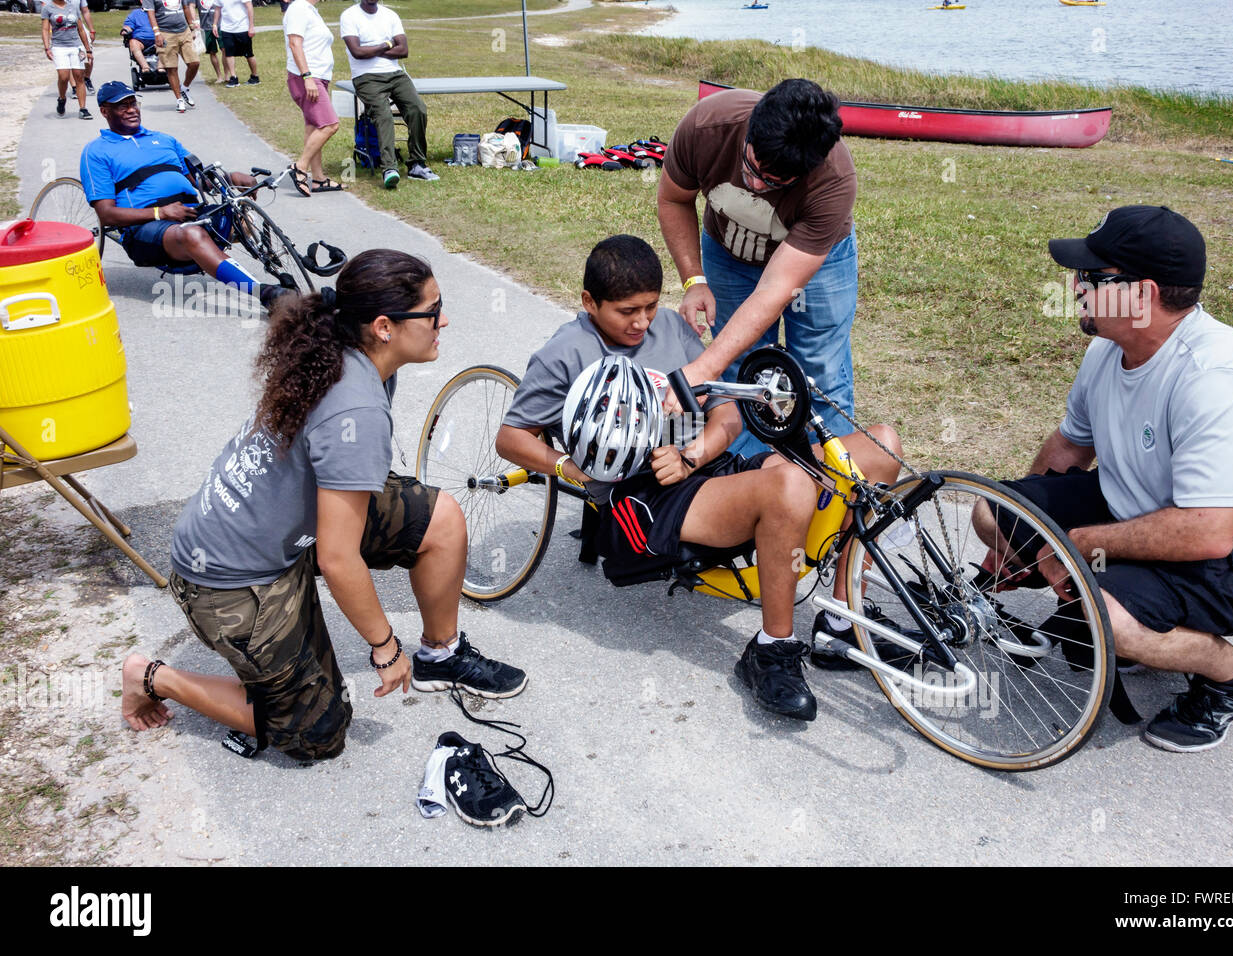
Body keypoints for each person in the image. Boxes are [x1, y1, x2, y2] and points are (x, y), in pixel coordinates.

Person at [120, 249, 528, 761]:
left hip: (286, 529)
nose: (442, 319)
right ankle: (153, 676)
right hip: (229, 581)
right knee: (318, 731)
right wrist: (384, 646)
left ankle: (441, 655)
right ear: (384, 326)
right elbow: (338, 557)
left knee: (439, 519)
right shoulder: (354, 400)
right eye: (432, 310)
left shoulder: (354, 350)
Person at [495, 235, 903, 722]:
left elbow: (727, 415)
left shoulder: (671, 328)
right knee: (791, 484)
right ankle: (771, 650)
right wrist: (566, 467)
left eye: (649, 306)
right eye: (626, 311)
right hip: (641, 501)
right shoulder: (564, 353)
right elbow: (511, 437)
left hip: (704, 468)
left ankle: (840, 621)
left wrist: (694, 454)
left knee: (879, 448)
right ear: (589, 302)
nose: (641, 322)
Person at [978, 205, 1233, 753]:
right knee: (992, 509)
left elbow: (1208, 532)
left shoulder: (1215, 379)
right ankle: (1115, 606)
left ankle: (1231, 672)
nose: (1076, 287)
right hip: (1149, 511)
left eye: (1091, 277)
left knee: (1109, 612)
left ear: (1142, 294)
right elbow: (1068, 449)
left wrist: (1077, 545)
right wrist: (1019, 538)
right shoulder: (1110, 347)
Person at [657, 78, 859, 458]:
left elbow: (775, 289)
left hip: (819, 266)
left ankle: (831, 500)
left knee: (820, 376)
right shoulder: (708, 126)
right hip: (729, 254)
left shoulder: (833, 181)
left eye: (772, 182)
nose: (753, 183)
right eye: (750, 167)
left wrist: (702, 367)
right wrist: (694, 279)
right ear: (750, 129)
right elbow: (672, 199)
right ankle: (749, 482)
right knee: (739, 374)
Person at [80, 81, 296, 310]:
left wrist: (232, 178)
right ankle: (266, 294)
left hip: (190, 211)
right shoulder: (96, 152)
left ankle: (292, 267)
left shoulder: (164, 140)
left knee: (241, 214)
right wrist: (159, 212)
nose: (132, 109)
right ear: (105, 111)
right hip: (146, 227)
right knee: (192, 234)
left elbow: (200, 179)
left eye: (133, 103)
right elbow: (106, 214)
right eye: (122, 106)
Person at [339, 0, 437, 189]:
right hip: (366, 77)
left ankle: (417, 164)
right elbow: (357, 52)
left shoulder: (390, 15)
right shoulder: (349, 16)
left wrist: (373, 50)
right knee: (383, 116)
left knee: (418, 109)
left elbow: (404, 50)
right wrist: (387, 44)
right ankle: (389, 169)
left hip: (395, 74)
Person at [283, 0, 342, 195]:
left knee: (314, 127)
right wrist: (307, 76)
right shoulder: (298, 7)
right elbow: (294, 42)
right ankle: (300, 167)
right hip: (307, 77)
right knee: (329, 125)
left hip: (317, 77)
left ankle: (319, 179)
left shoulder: (310, 10)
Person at [142, 0, 200, 113]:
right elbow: (151, 13)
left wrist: (192, 27)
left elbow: (185, 7)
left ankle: (184, 87)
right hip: (165, 33)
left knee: (194, 62)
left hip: (184, 31)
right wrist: (157, 33)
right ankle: (179, 99)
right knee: (172, 68)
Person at [42, 0, 93, 120]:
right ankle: (62, 98)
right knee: (63, 76)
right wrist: (47, 47)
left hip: (76, 46)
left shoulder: (73, 6)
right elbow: (45, 29)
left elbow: (80, 29)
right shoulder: (48, 8)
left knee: (79, 76)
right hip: (59, 47)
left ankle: (83, 109)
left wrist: (88, 49)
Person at [213, 0, 259, 87]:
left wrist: (251, 26)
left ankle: (254, 76)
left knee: (248, 54)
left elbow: (249, 7)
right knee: (229, 53)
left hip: (242, 27)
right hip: (226, 28)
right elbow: (217, 9)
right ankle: (233, 77)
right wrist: (215, 24)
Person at [121, 5, 155, 77]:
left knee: (168, 41)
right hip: (140, 40)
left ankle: (161, 68)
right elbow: (128, 25)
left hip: (158, 39)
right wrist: (125, 30)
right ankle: (145, 67)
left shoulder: (160, 12)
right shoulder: (135, 14)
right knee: (133, 43)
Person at [194, 0, 222, 82]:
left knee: (225, 50)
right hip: (206, 27)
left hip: (220, 25)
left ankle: (228, 76)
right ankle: (219, 76)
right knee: (212, 52)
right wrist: (194, 21)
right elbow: (191, 6)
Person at [76, 0, 95, 91]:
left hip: (79, 25)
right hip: (63, 28)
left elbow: (85, 11)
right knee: (72, 59)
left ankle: (86, 78)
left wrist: (91, 30)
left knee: (89, 56)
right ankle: (74, 87)